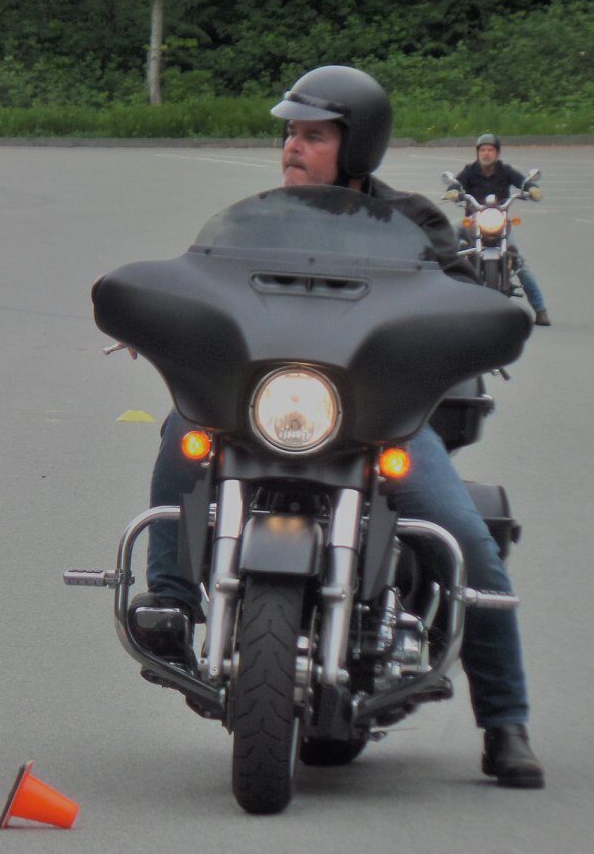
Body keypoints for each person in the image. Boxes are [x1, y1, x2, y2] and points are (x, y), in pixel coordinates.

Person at [128, 66, 545, 788]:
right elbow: (197, 284)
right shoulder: (250, 219)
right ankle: (169, 597)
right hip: (262, 408)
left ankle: (504, 720)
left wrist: (469, 327)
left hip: (376, 421)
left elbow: (458, 300)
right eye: (289, 132)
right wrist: (167, 323)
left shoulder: (413, 224)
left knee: (467, 542)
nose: (292, 147)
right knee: (180, 433)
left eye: (312, 135)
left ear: (355, 148)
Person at [447, 133, 550, 326]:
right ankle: (444, 270)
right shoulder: (470, 170)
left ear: (497, 153)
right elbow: (456, 184)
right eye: (483, 150)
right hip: (474, 219)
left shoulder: (505, 170)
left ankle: (541, 310)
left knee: (519, 262)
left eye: (490, 150)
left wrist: (532, 188)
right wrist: (453, 191)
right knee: (451, 231)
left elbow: (523, 181)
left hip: (500, 221)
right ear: (478, 153)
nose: (486, 153)